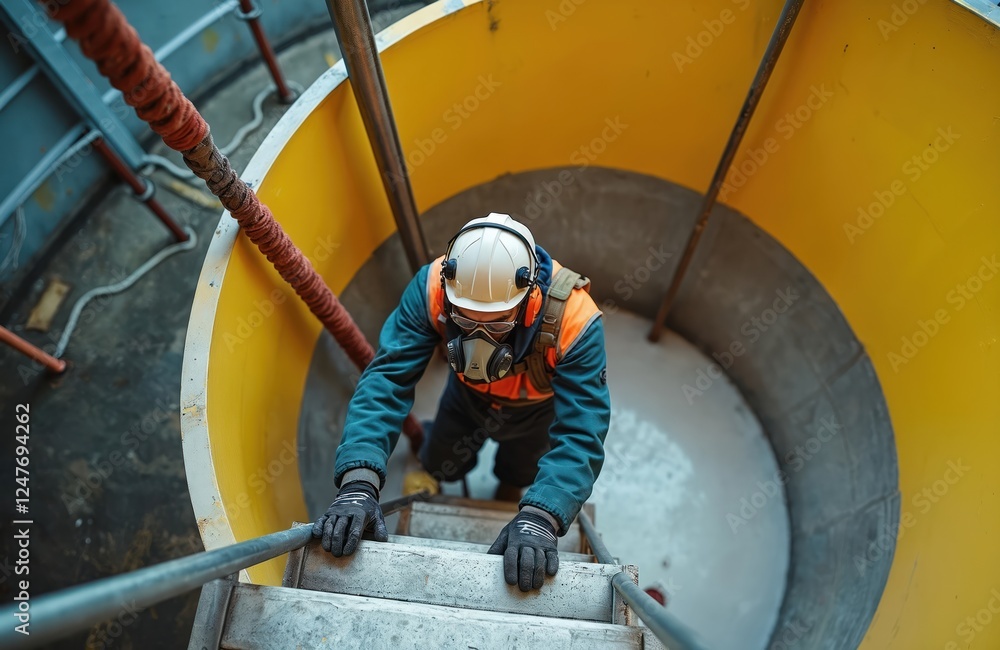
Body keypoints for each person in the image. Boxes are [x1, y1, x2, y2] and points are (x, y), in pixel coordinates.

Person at [312, 213, 611, 592]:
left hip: (536, 413)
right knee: (442, 460)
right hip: (465, 399)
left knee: (519, 472)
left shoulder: (575, 322)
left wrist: (542, 514)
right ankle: (446, 475)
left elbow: (582, 430)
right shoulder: (433, 289)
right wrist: (359, 480)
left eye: (498, 324)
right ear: (450, 289)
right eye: (466, 322)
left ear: (530, 297)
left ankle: (512, 494)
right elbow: (386, 381)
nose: (479, 337)